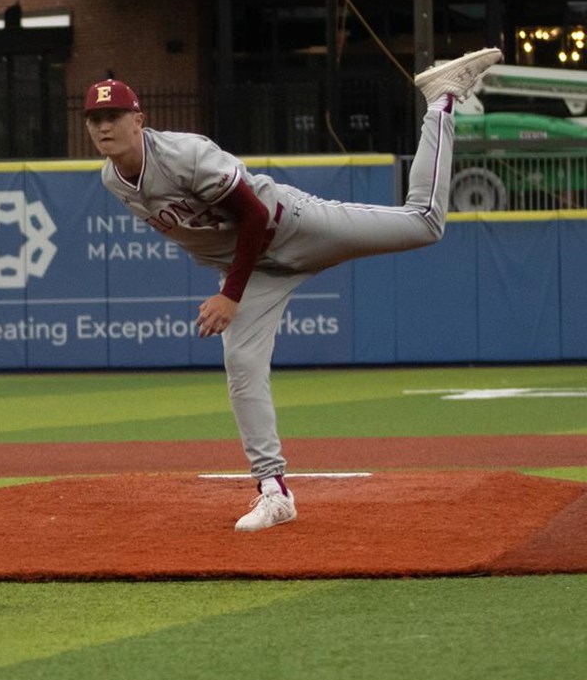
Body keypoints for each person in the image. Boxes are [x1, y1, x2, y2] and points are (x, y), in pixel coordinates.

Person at [83, 46, 503, 532]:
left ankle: (442, 99)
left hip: (291, 228)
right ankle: (273, 490)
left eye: (114, 115)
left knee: (424, 224)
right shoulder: (113, 180)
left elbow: (254, 216)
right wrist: (235, 282)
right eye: (95, 119)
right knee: (241, 366)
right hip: (254, 270)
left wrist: (230, 294)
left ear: (139, 119)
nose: (104, 126)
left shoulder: (183, 154)